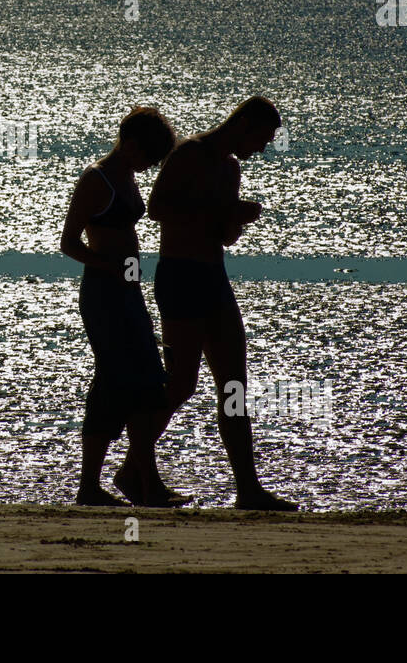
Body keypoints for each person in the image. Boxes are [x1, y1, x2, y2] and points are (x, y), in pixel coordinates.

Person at [145, 96, 297, 511]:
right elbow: (157, 208)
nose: (264, 148)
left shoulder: (231, 168)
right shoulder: (190, 153)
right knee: (181, 384)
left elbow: (222, 234)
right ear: (243, 123)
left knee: (234, 385)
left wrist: (235, 219)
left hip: (214, 276)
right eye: (262, 137)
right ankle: (135, 465)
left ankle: (247, 488)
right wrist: (222, 209)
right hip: (180, 274)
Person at [60, 107, 179, 506]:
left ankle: (142, 480)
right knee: (115, 381)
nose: (149, 166)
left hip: (128, 291)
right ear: (130, 145)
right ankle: (94, 486)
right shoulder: (96, 180)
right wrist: (109, 266)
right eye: (148, 156)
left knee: (147, 380)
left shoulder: (127, 175)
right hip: (103, 293)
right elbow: (69, 243)